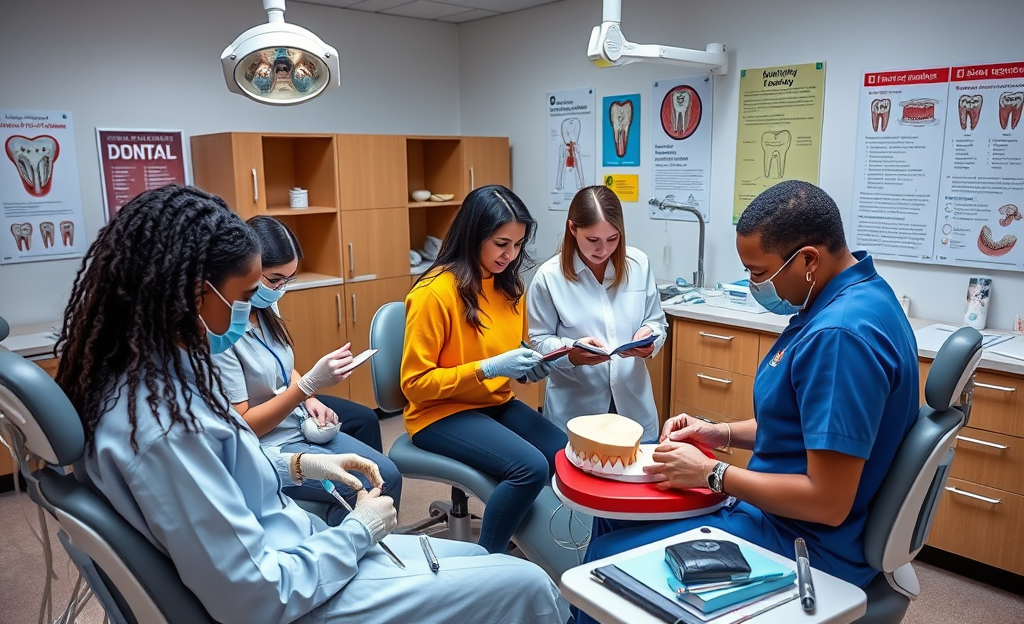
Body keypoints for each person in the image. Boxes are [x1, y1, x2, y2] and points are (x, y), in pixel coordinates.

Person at [55, 185, 568, 624]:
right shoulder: (163, 430)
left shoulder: (155, 382)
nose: (251, 309)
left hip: (306, 549)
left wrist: (295, 465)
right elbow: (256, 596)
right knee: (527, 584)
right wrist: (358, 531)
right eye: (246, 295)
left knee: (480, 562)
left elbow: (222, 465)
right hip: (306, 591)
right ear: (191, 292)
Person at [575, 181, 919, 624]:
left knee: (604, 559)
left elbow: (827, 502)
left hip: (799, 544)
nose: (755, 284)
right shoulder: (860, 294)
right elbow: (806, 425)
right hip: (777, 513)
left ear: (808, 260)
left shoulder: (839, 338)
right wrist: (718, 433)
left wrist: (712, 473)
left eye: (759, 272)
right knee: (617, 513)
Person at [401, 184, 567, 555]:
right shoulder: (433, 293)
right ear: (474, 235)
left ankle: (533, 540)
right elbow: (415, 384)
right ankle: (487, 562)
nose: (511, 255)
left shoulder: (510, 287)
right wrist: (488, 368)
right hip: (438, 413)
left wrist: (527, 367)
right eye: (501, 244)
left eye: (518, 244)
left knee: (563, 455)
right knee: (529, 468)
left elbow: (507, 350)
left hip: (493, 402)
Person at [213, 216, 402, 525]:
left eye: (288, 280)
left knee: (384, 468)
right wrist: (307, 386)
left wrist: (310, 397)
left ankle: (361, 532)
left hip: (294, 419)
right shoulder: (222, 334)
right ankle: (348, 538)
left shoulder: (265, 305)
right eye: (274, 279)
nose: (280, 289)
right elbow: (245, 426)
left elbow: (281, 366)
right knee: (372, 481)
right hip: (268, 442)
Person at [527, 186, 667, 440]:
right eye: (593, 240)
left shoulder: (638, 264)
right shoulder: (548, 277)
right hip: (575, 411)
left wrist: (650, 339)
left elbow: (656, 322)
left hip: (633, 407)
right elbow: (539, 340)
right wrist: (572, 353)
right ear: (572, 229)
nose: (603, 250)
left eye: (612, 239)